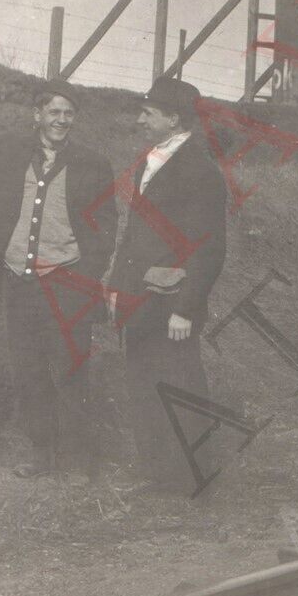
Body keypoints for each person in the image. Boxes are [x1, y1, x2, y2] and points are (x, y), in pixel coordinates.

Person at [0, 78, 117, 479]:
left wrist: (87, 272)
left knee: (71, 369)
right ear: (37, 115)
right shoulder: (11, 150)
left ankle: (79, 462)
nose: (61, 120)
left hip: (67, 281)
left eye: (68, 113)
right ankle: (43, 456)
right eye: (54, 112)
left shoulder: (93, 163)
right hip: (18, 282)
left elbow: (105, 224)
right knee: (29, 370)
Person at [104, 77, 227, 492]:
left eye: (147, 112)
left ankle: (190, 478)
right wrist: (118, 287)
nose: (139, 119)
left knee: (179, 384)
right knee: (143, 384)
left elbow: (209, 247)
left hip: (171, 301)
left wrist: (186, 308)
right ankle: (155, 474)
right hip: (139, 295)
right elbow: (135, 235)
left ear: (173, 119)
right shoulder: (149, 160)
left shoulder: (200, 169)